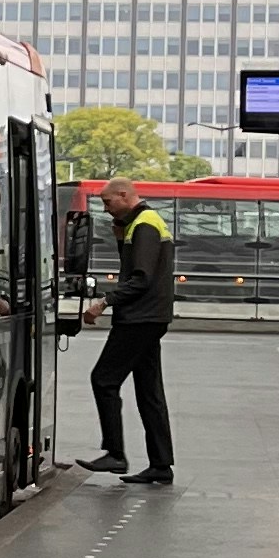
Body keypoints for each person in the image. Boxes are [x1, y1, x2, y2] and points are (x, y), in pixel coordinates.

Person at [78, 177, 174, 481]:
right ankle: (161, 465)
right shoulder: (142, 223)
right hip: (151, 317)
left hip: (139, 319)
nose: (106, 209)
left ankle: (115, 454)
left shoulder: (144, 225)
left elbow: (140, 279)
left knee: (103, 379)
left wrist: (104, 302)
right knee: (149, 392)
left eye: (108, 202)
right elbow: (135, 268)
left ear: (124, 195)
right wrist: (121, 239)